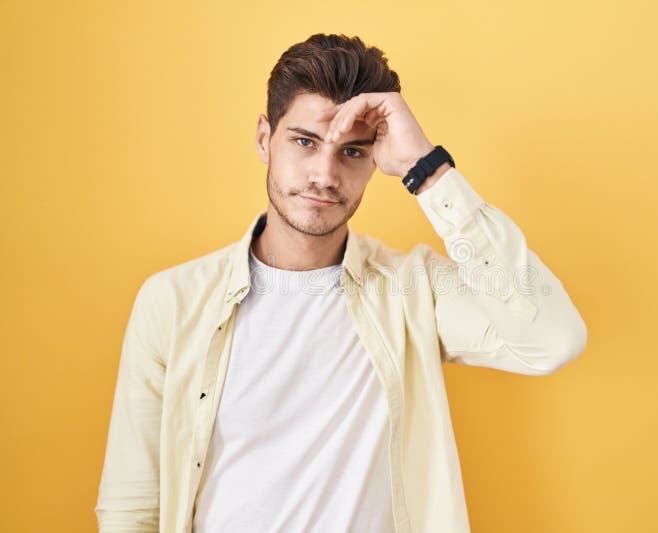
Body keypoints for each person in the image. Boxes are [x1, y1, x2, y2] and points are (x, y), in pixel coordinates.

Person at [94, 33, 588, 533]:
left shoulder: (411, 290)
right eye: (305, 142)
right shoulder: (173, 301)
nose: (325, 174)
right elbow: (131, 504)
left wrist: (429, 169)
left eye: (353, 151)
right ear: (265, 138)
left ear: (377, 158)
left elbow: (552, 341)